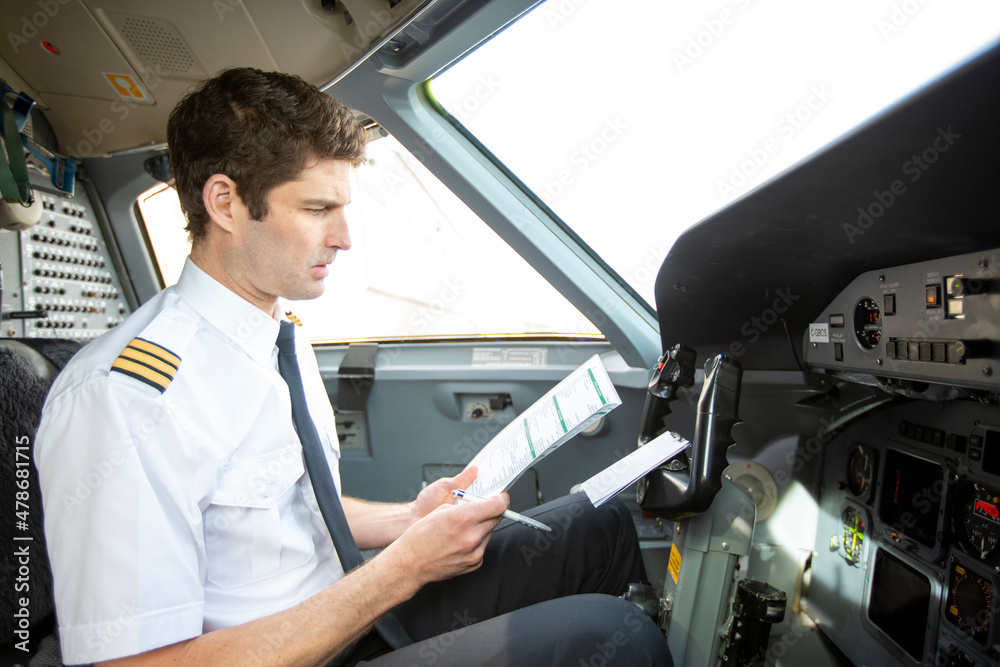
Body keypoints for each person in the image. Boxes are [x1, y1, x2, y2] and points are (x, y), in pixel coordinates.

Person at [34, 67, 672, 667]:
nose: (344, 238)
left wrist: (409, 521)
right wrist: (400, 571)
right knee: (618, 636)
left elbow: (283, 506)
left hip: (346, 614)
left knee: (601, 525)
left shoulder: (274, 332)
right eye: (317, 210)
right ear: (225, 204)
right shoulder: (124, 401)